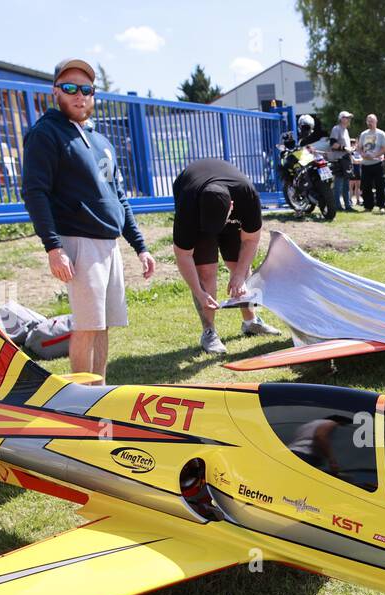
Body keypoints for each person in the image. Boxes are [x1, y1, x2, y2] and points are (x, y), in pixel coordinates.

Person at [21, 57, 156, 385]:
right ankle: (82, 401)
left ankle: (99, 391)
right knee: (86, 325)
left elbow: (119, 198)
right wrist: (54, 247)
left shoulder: (101, 141)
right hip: (78, 241)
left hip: (109, 244)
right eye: (70, 88)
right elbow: (34, 192)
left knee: (103, 324)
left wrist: (140, 246)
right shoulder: (46, 133)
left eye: (86, 89)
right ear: (56, 92)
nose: (79, 95)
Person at [171, 158, 282, 355]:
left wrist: (239, 274)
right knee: (205, 273)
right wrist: (199, 292)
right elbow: (183, 255)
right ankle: (209, 332)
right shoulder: (189, 205)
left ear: (231, 206)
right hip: (195, 199)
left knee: (239, 264)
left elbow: (251, 241)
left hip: (233, 207)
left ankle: (251, 322)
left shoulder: (247, 196)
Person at [358, 114, 385, 211]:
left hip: (377, 164)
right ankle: (368, 206)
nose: (370, 123)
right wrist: (362, 154)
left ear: (376, 122)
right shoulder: (363, 134)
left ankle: (381, 206)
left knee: (380, 186)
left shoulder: (381, 134)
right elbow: (359, 148)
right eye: (368, 121)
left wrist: (375, 155)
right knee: (366, 186)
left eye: (372, 121)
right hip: (366, 164)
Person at [329, 111, 355, 212]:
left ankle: (348, 205)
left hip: (346, 160)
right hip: (339, 160)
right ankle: (337, 206)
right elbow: (333, 144)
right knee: (338, 184)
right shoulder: (336, 129)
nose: (349, 120)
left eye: (349, 118)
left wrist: (350, 150)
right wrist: (345, 148)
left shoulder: (346, 131)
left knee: (346, 185)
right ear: (341, 119)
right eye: (347, 117)